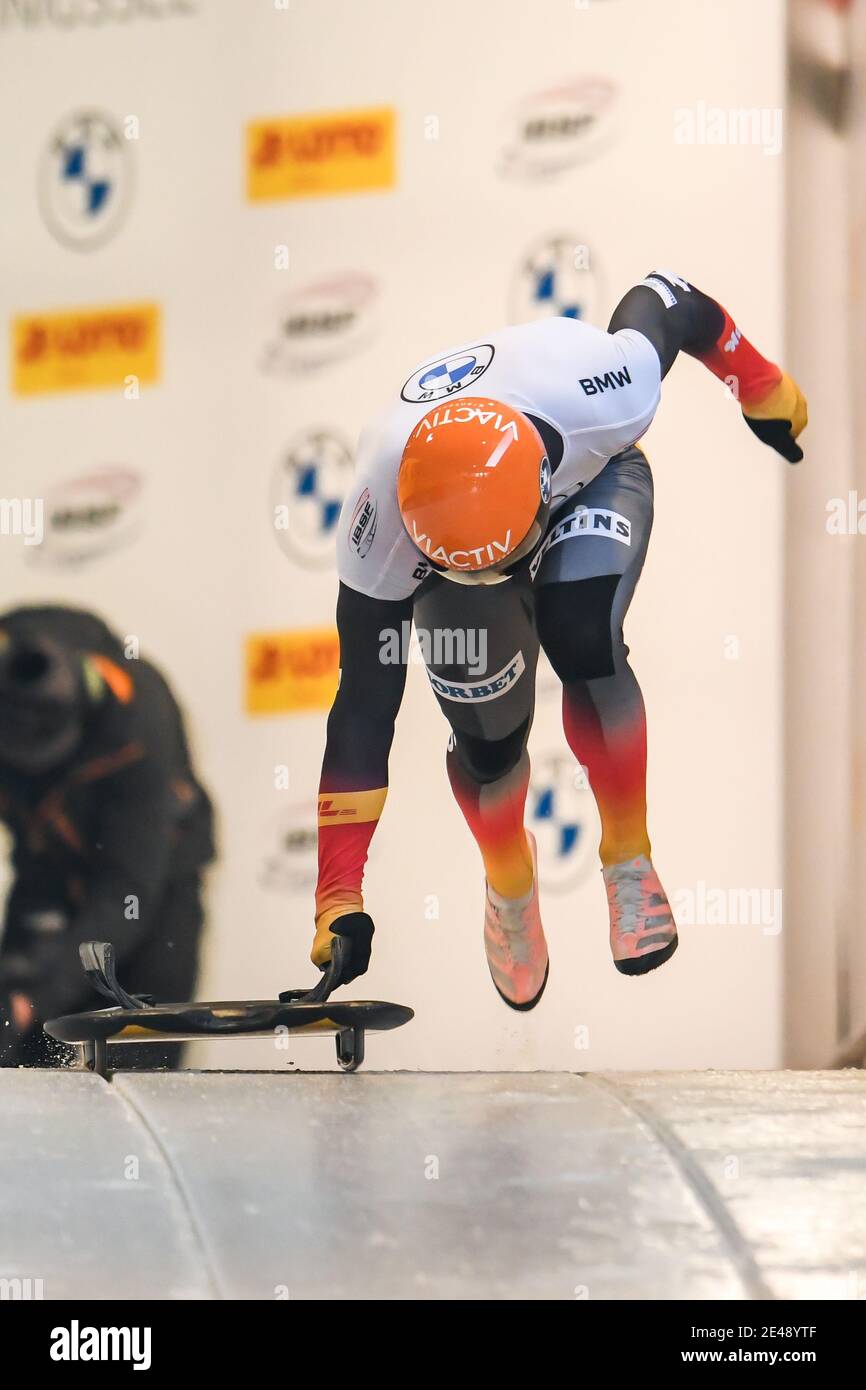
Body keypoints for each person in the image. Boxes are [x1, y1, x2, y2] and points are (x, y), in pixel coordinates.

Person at [310, 271, 808, 1009]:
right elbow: (362, 708)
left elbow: (675, 302)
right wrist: (336, 898)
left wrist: (761, 386)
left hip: (594, 483)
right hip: (453, 546)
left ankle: (627, 855)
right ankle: (509, 878)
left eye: (506, 562)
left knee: (580, 630)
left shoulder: (605, 391)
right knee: (489, 742)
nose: (502, 578)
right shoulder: (377, 526)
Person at [0, 605, 215, 1067]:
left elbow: (128, 890)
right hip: (48, 878)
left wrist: (38, 997)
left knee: (140, 1069)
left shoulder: (141, 712)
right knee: (20, 1056)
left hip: (153, 892)